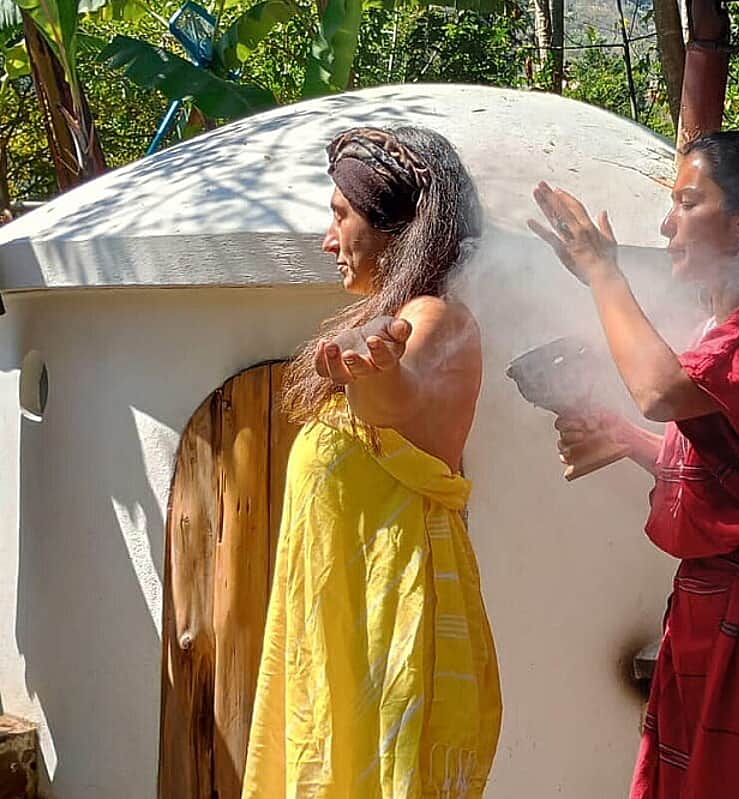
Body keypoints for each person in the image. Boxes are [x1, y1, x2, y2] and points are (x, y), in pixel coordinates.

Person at [529, 130, 739, 799]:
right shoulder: (723, 328)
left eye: (687, 202)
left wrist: (603, 272)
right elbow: (734, 477)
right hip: (710, 610)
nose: (667, 223)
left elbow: (660, 391)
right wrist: (622, 438)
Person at [242, 126, 501, 799]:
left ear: (391, 228)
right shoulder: (388, 320)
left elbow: (399, 403)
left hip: (396, 617)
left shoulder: (435, 317)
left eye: (340, 216)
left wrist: (375, 372)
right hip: (348, 621)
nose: (328, 240)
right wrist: (369, 367)